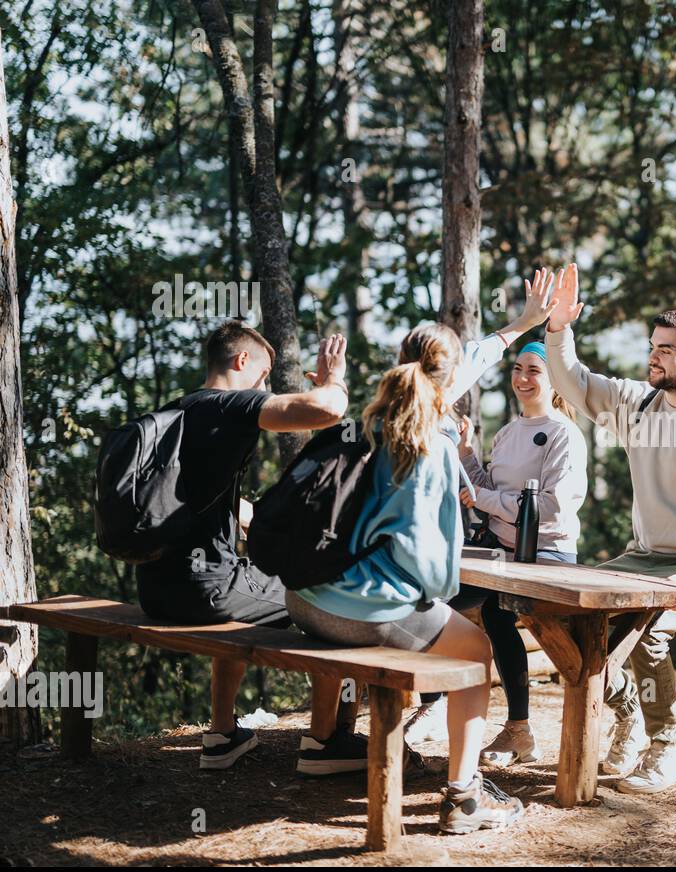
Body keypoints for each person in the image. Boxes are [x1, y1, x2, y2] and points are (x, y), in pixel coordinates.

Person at [285, 274, 556, 832]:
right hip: (358, 611)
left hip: (302, 599)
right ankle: (464, 798)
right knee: (476, 653)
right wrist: (435, 600)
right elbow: (435, 571)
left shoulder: (369, 420)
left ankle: (323, 743)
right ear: (449, 380)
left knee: (404, 624)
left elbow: (465, 362)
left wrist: (522, 324)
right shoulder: (429, 442)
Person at [543, 263, 676, 795]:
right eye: (653, 346)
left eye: (666, 349)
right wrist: (558, 330)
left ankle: (669, 744)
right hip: (641, 558)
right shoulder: (638, 403)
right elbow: (573, 380)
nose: (653, 356)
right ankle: (629, 716)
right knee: (563, 614)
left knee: (650, 631)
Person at [135, 321, 349, 770]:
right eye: (263, 374)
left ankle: (222, 736)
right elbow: (326, 411)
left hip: (156, 588)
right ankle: (325, 743)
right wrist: (334, 377)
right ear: (241, 362)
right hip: (205, 589)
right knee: (334, 603)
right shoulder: (231, 405)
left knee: (243, 580)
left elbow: (204, 503)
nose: (264, 386)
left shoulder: (179, 410)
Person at [446, 340, 587, 768]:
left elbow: (551, 506)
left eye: (534, 371)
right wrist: (465, 453)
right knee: (457, 607)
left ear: (554, 379)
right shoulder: (507, 432)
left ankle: (619, 712)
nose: (522, 379)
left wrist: (484, 500)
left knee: (578, 648)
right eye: (517, 369)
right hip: (500, 553)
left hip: (547, 556)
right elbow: (484, 490)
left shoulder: (564, 433)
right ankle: (512, 729)